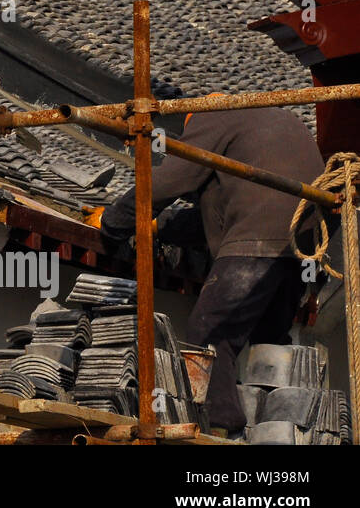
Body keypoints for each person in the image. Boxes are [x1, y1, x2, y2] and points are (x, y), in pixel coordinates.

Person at [99, 104, 326, 437]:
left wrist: (114, 222)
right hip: (302, 251)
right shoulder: (268, 123)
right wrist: (159, 227)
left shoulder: (210, 116)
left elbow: (168, 183)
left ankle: (222, 430)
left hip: (256, 242)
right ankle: (276, 431)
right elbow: (217, 208)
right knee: (269, 348)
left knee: (209, 336)